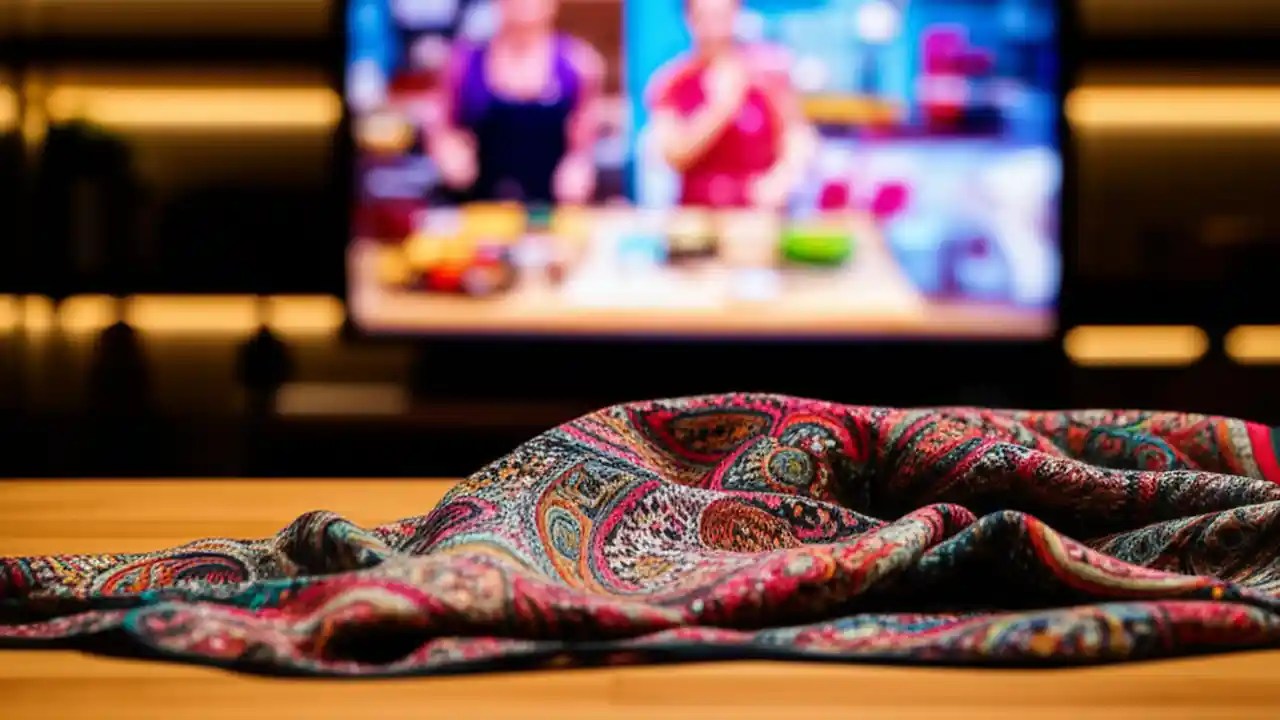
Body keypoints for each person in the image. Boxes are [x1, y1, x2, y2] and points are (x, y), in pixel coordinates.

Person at [428, 0, 604, 205]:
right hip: (476, 206)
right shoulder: (464, 63)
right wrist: (447, 149)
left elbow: (582, 146)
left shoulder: (578, 64)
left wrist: (579, 166)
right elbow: (440, 125)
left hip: (548, 210)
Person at [646, 0, 816, 210]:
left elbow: (798, 137)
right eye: (704, 16)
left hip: (755, 216)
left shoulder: (767, 74)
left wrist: (781, 179)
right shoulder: (672, 82)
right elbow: (673, 154)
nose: (713, 27)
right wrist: (720, 108)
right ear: (689, 19)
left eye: (720, 16)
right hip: (697, 218)